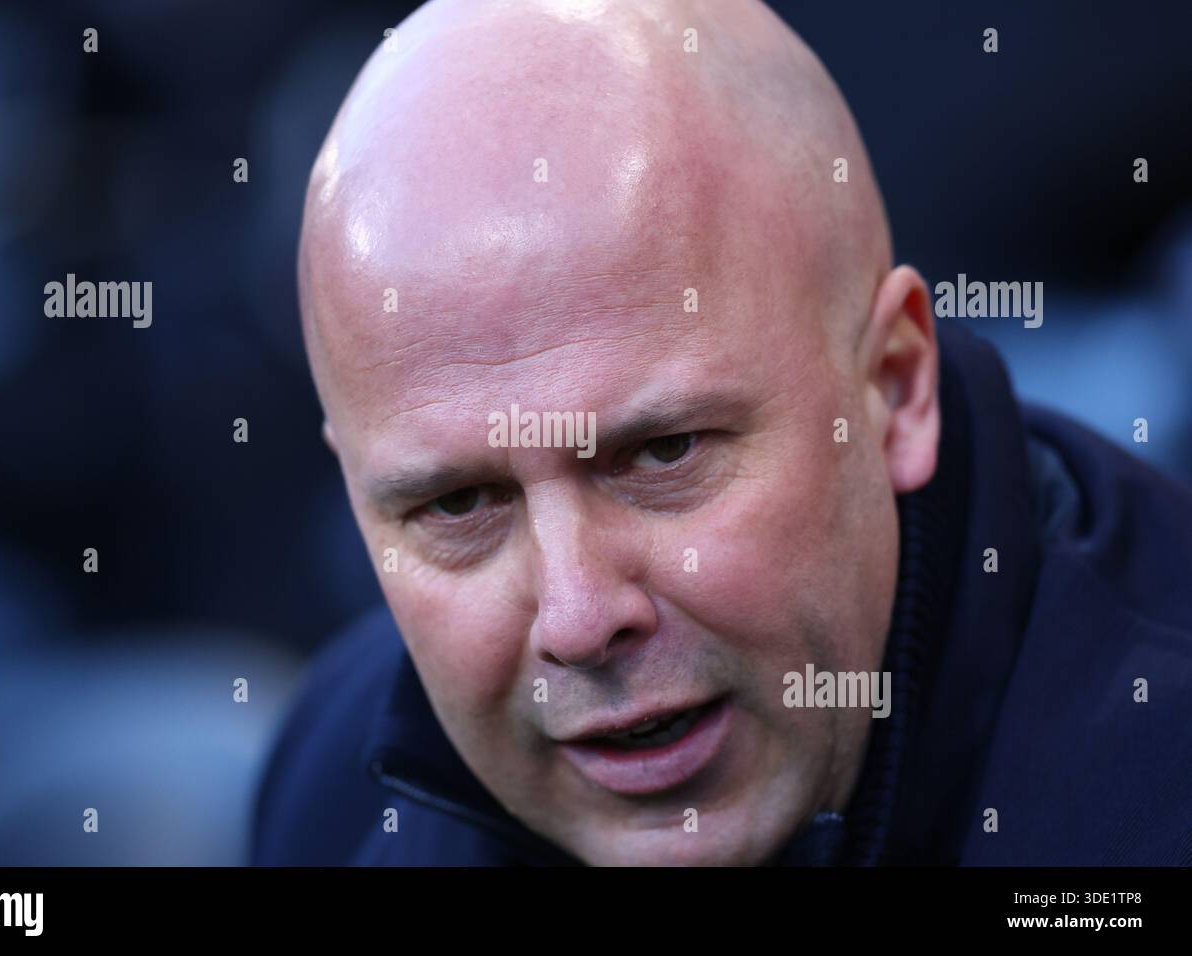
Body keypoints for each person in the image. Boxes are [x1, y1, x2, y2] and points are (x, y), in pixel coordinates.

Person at [253, 0, 1192, 865]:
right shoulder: (332, 786)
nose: (579, 620)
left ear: (897, 387)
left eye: (663, 454)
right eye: (458, 503)